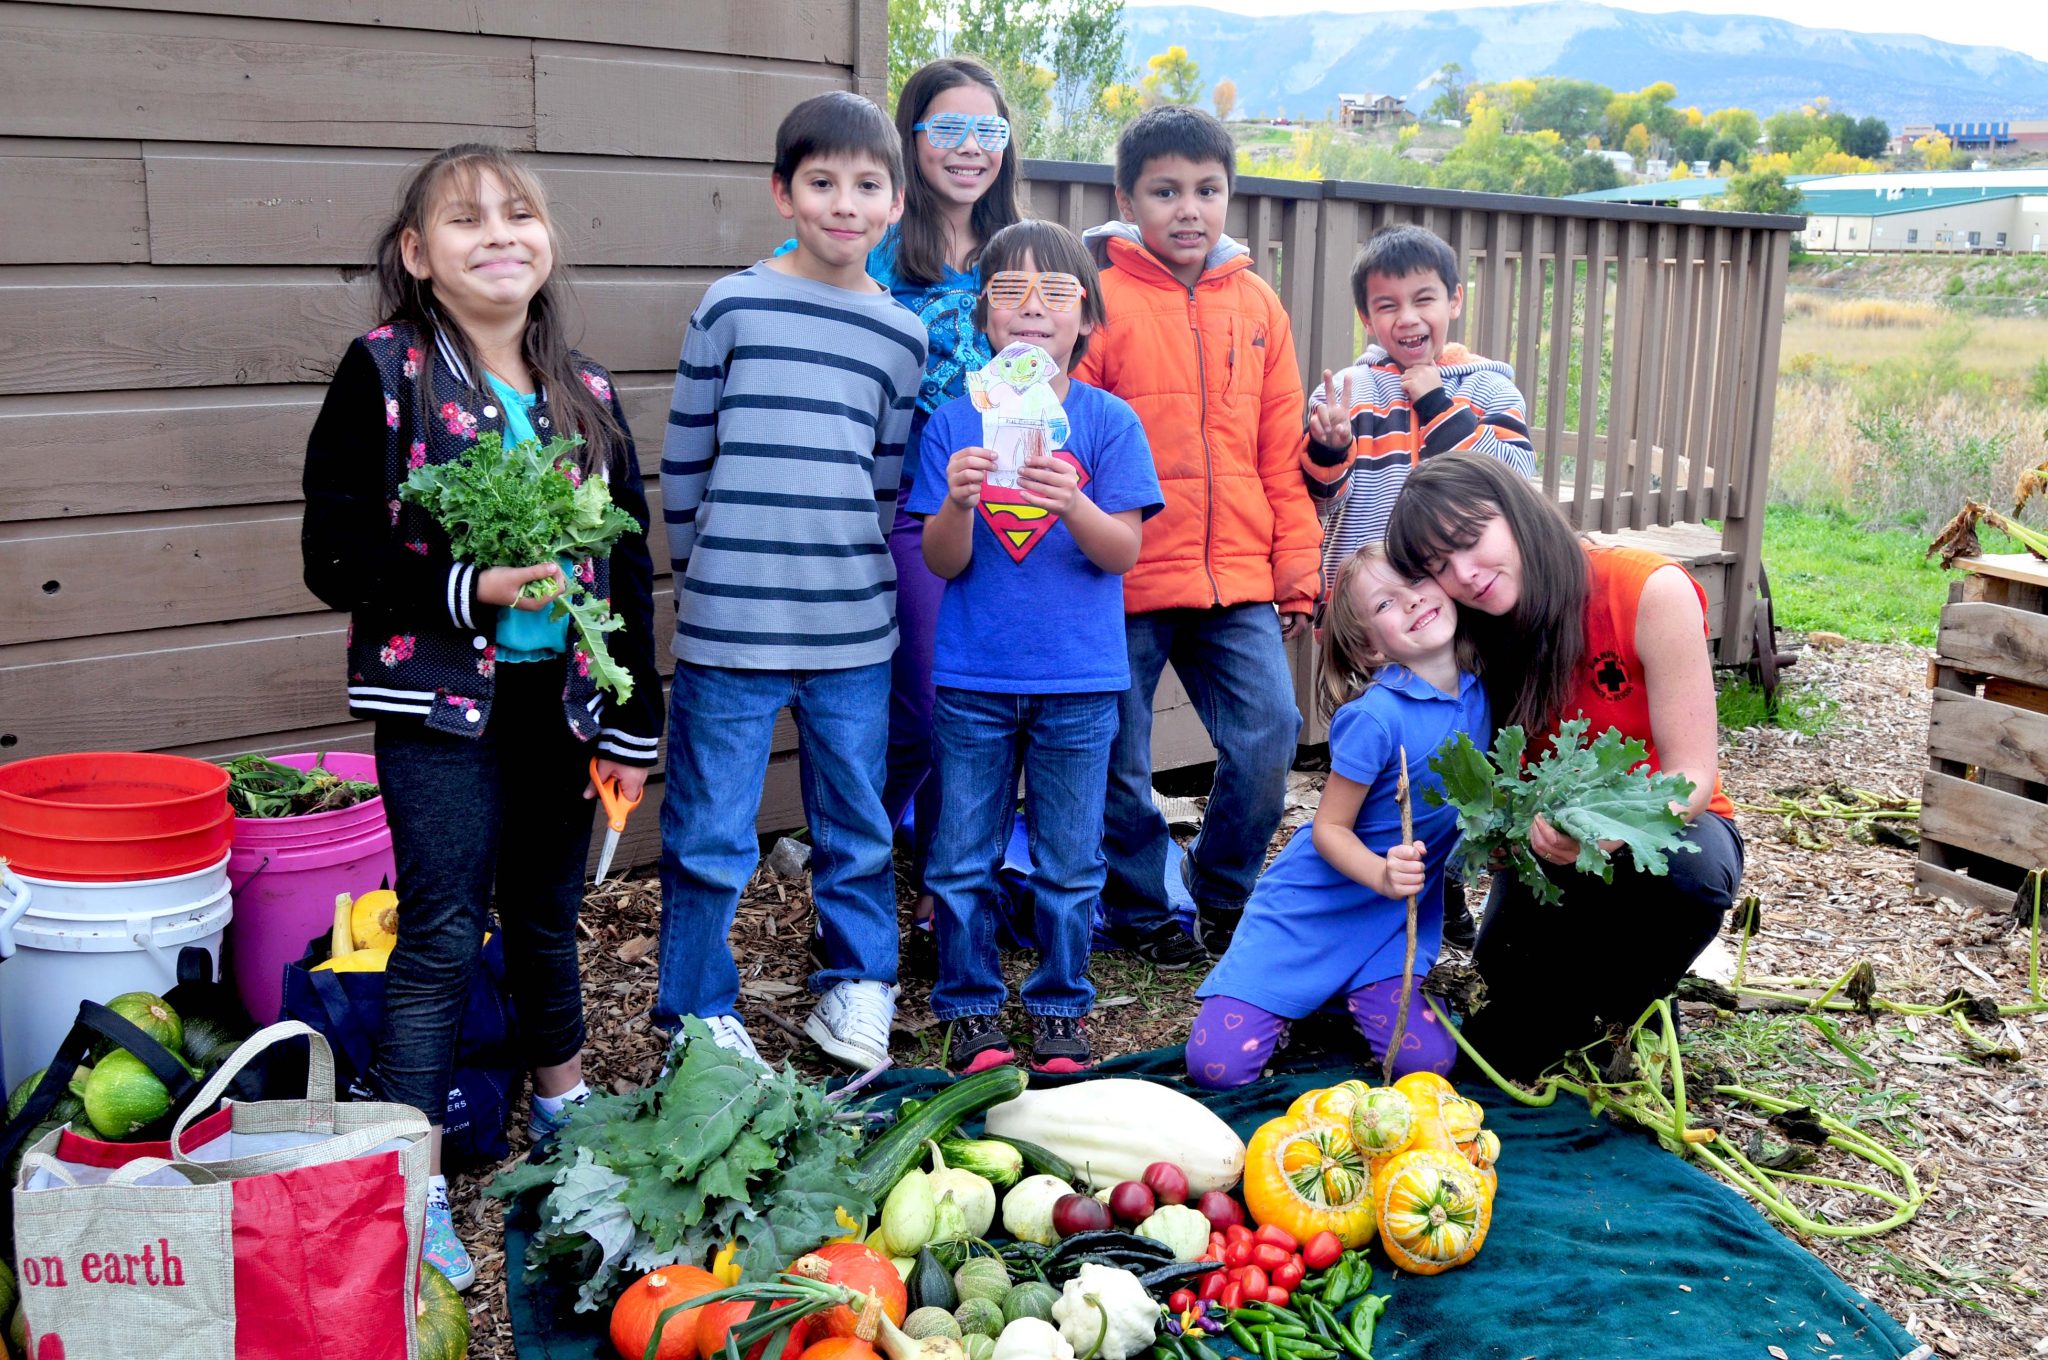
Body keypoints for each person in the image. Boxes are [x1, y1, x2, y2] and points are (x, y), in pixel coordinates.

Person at [301, 144, 663, 1290]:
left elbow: (628, 568)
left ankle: (563, 1114)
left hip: (561, 707)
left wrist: (632, 724)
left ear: (547, 240)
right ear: (417, 253)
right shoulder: (386, 371)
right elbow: (333, 553)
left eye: (518, 214)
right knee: (442, 931)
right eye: (465, 219)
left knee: (548, 915)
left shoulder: (585, 389)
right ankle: (405, 1182)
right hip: (439, 712)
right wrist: (475, 586)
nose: (499, 233)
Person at [656, 91, 927, 1073]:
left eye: (866, 186)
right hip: (729, 627)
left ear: (895, 204)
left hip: (852, 631)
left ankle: (857, 986)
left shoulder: (901, 336)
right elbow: (685, 463)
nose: (843, 204)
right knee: (709, 834)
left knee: (856, 826)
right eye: (821, 183)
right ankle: (696, 1017)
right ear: (782, 193)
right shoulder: (731, 306)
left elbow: (883, 484)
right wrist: (701, 578)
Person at [1384, 452, 1744, 1080]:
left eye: (1470, 540)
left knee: (1691, 878)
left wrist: (1608, 831)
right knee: (1509, 1022)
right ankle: (1608, 1000)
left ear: (1516, 509)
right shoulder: (1473, 630)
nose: (1464, 575)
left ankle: (1632, 1002)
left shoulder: (1647, 590)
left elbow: (1691, 774)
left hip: (1662, 831)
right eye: (1439, 567)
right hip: (1547, 853)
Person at [908, 221, 1163, 1075]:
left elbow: (1122, 552)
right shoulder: (956, 424)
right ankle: (970, 1004)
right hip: (974, 677)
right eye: (1008, 291)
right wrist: (957, 504)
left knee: (1069, 858)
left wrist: (1074, 505)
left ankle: (1060, 1004)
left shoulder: (1107, 422)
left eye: (1055, 292)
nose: (1030, 307)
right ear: (983, 316)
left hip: (1080, 681)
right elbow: (943, 562)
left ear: (1085, 319)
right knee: (960, 855)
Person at [1072, 105, 1319, 966]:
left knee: (1270, 733)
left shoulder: (1258, 304)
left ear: (1228, 195)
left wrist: (1295, 567)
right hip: (1126, 579)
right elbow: (1074, 438)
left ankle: (1222, 891)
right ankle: (1139, 907)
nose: (1188, 209)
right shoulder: (1099, 298)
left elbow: (1280, 451)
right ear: (1126, 200)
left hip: (1236, 578)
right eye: (1165, 191)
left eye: (1207, 190)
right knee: (1117, 753)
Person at [1302, 222, 1535, 947]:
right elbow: (1316, 498)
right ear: (1366, 317)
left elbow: (1511, 478)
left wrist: (1434, 398)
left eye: (1424, 299)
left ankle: (1448, 879)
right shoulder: (1347, 391)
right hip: (1373, 612)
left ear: (1455, 301)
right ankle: (1365, 863)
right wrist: (1327, 448)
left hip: (1451, 609)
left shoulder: (1488, 386)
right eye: (1387, 305)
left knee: (1454, 746)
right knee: (1377, 746)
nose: (1407, 318)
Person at [1186, 546, 1484, 1088]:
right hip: (1311, 911)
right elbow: (1328, 829)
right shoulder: (1376, 717)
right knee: (1216, 1067)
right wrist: (1380, 873)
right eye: (1385, 603)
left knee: (1426, 1066)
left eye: (1417, 580)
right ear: (1370, 647)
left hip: (1392, 925)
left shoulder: (1486, 689)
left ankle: (1338, 998)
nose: (1412, 600)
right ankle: (1294, 993)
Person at [874, 58, 1028, 928]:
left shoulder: (1019, 249)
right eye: (948, 129)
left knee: (980, 704)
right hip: (910, 504)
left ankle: (946, 888)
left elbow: (1091, 292)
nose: (970, 149)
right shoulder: (879, 247)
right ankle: (856, 863)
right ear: (913, 139)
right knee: (927, 707)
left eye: (988, 131)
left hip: (1017, 511)